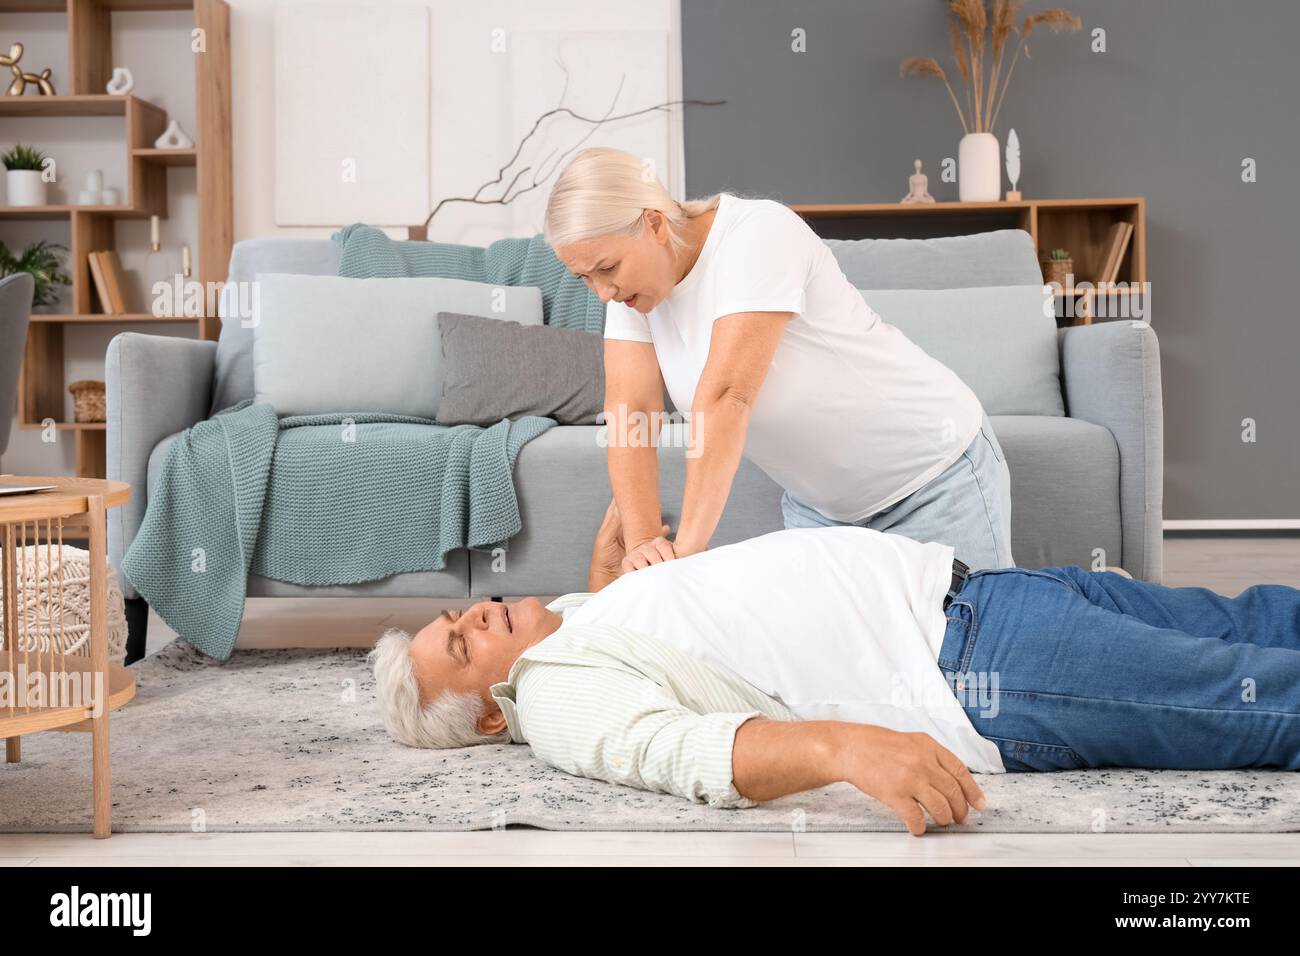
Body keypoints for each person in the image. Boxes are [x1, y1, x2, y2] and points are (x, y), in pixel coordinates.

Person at [370, 501, 1300, 836]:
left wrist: (609, 579)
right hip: (975, 669)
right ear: (494, 713)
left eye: (458, 614)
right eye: (464, 643)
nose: (479, 612)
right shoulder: (561, 699)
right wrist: (850, 749)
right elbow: (688, 753)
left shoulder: (575, 631)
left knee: (1250, 619)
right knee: (1248, 698)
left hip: (980, 595)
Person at [543, 146, 1014, 576]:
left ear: (654, 224)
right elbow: (632, 412)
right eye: (585, 278)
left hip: (933, 476)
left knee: (982, 650)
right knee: (829, 667)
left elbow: (727, 396)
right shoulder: (634, 296)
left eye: (607, 268)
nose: (603, 292)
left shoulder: (756, 233)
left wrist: (683, 558)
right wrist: (644, 543)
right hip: (821, 513)